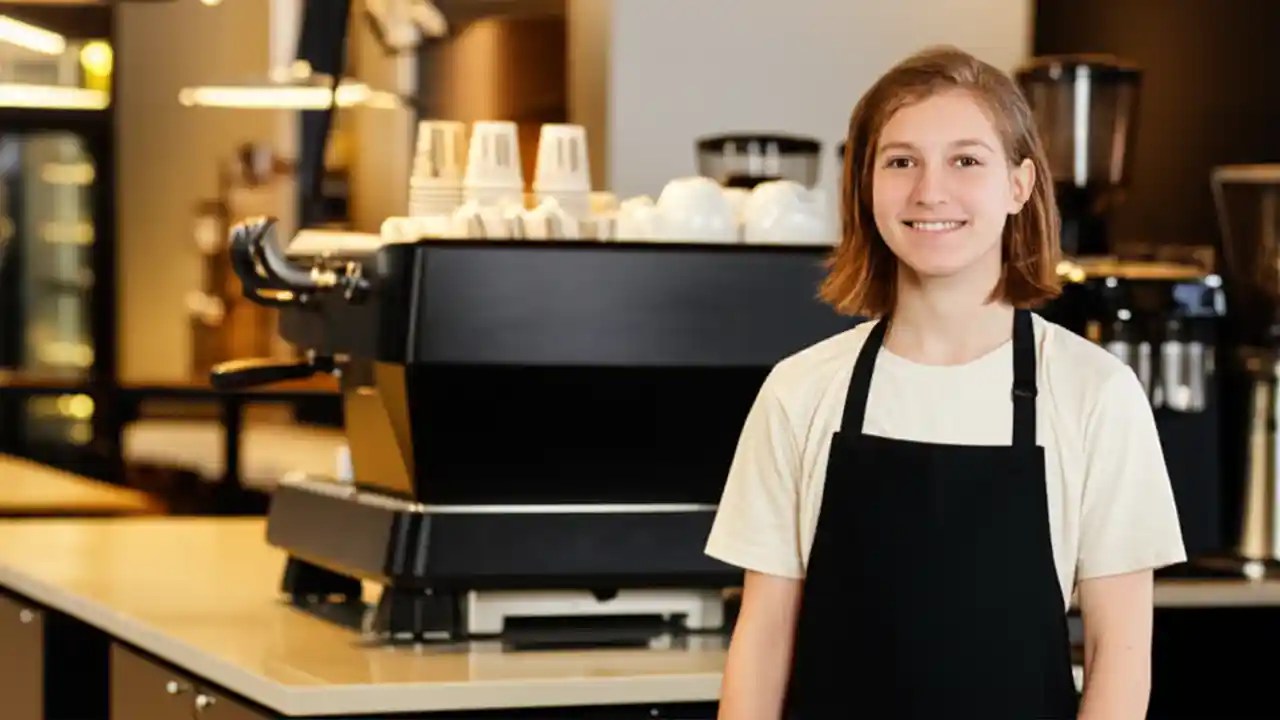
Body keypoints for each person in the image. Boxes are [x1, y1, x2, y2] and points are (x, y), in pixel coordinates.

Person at [705, 45, 1185, 719]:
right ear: (865, 186)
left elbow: (1121, 654)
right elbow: (762, 639)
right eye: (901, 161)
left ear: (1018, 185)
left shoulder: (1095, 394)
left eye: (966, 160)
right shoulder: (800, 391)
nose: (930, 191)